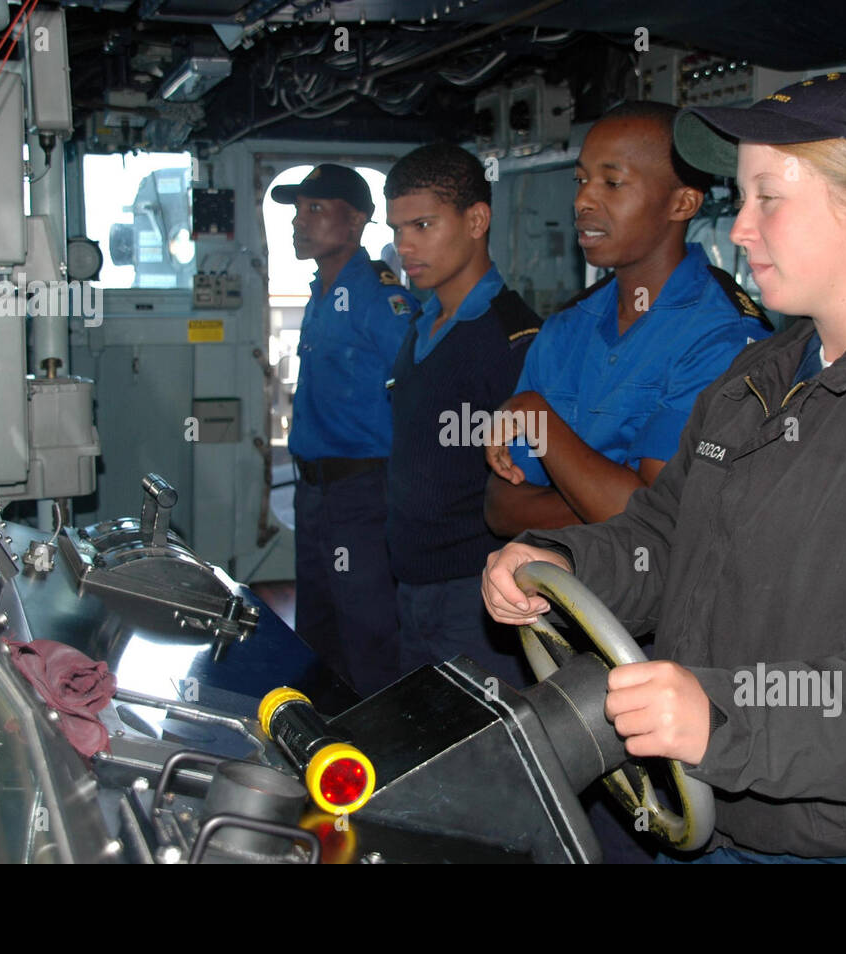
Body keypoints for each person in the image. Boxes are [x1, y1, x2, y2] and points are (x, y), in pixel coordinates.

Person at [482, 73, 846, 863]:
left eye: (770, 199)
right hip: (727, 817)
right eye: (743, 200)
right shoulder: (757, 374)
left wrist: (725, 717)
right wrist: (562, 562)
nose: (743, 231)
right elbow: (667, 534)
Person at [484, 100, 772, 538]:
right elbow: (502, 507)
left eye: (612, 183)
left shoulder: (723, 338)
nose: (583, 199)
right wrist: (611, 494)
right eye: (580, 180)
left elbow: (656, 519)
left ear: (683, 203)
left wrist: (535, 411)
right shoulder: (566, 327)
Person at [384, 143, 540, 687]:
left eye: (422, 225)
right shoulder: (423, 321)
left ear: (477, 220)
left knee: (485, 758)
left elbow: (531, 485)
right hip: (411, 582)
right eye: (398, 229)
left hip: (472, 594)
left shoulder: (511, 340)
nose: (405, 245)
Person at [274, 163, 418, 697]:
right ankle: (322, 738)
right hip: (313, 491)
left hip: (363, 491)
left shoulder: (383, 300)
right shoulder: (321, 292)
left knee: (367, 631)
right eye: (296, 211)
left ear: (356, 221)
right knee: (316, 627)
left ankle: (380, 756)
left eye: (315, 210)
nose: (299, 223)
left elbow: (414, 390)